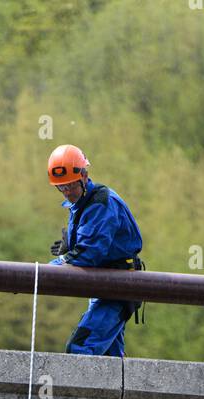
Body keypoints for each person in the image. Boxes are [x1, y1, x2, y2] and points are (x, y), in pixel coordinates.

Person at [47, 143, 143, 357]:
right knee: (111, 358)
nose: (67, 192)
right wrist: (70, 248)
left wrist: (48, 269)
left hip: (118, 288)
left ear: (84, 175)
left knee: (80, 347)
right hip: (106, 285)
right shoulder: (82, 203)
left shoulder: (100, 203)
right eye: (61, 187)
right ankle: (119, 392)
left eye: (71, 185)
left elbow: (88, 254)